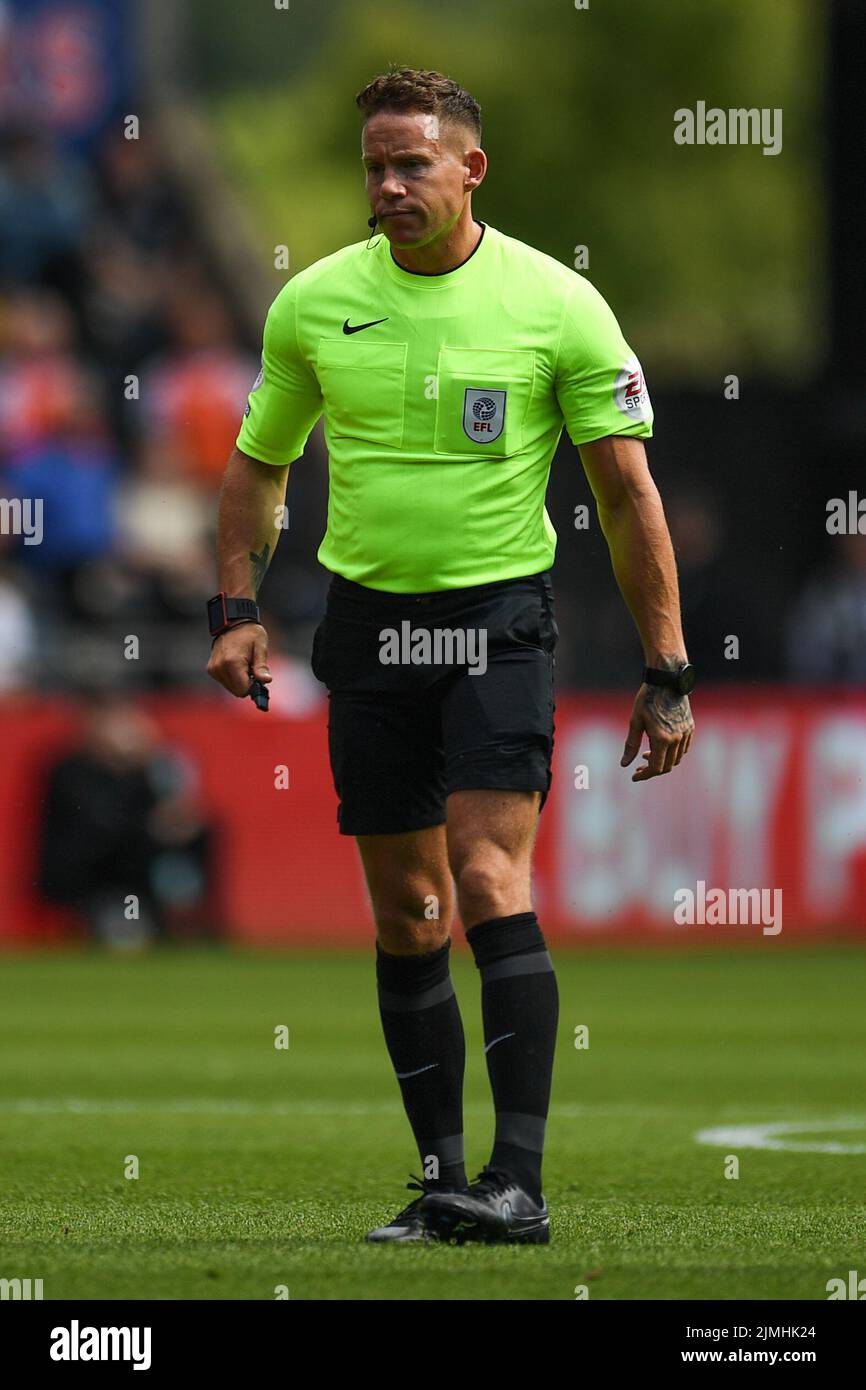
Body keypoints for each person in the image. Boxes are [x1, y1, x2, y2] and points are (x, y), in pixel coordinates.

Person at [207, 67, 694, 1245]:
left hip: (496, 626)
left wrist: (666, 668)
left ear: (468, 169)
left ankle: (515, 1184)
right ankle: (440, 1182)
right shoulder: (313, 305)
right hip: (368, 629)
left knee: (484, 878)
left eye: (409, 164)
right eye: (372, 165)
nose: (385, 185)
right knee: (408, 911)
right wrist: (231, 603)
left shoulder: (558, 304)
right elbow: (259, 465)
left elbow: (625, 495)